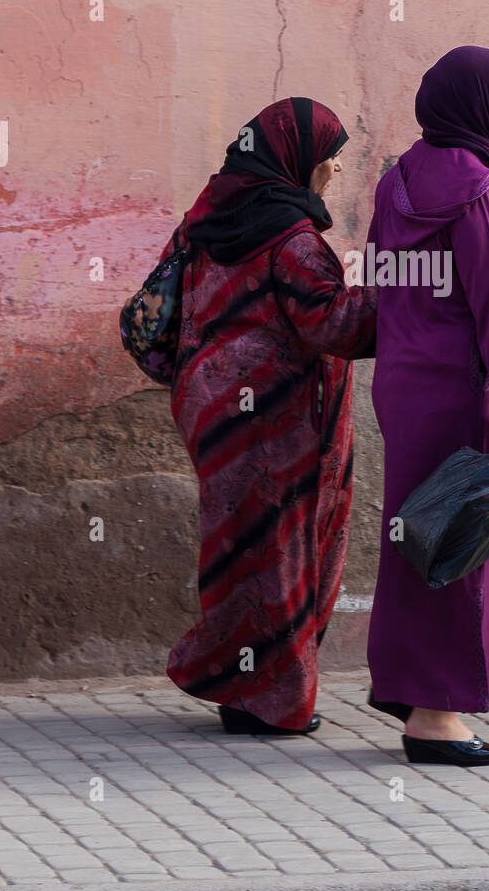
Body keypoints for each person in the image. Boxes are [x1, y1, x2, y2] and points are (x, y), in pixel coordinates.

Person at [365, 46, 489, 766]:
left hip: (404, 385)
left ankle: (414, 691)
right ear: (480, 104)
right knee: (462, 546)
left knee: (417, 539)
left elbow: (385, 283)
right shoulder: (477, 188)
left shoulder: (398, 180)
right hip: (462, 389)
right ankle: (435, 718)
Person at [160, 97, 376, 736]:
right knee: (283, 553)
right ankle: (272, 703)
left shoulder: (209, 213)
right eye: (330, 158)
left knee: (239, 548)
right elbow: (333, 322)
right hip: (277, 424)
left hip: (215, 417)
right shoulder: (293, 239)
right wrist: (411, 301)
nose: (335, 171)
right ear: (296, 159)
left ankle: (238, 685)